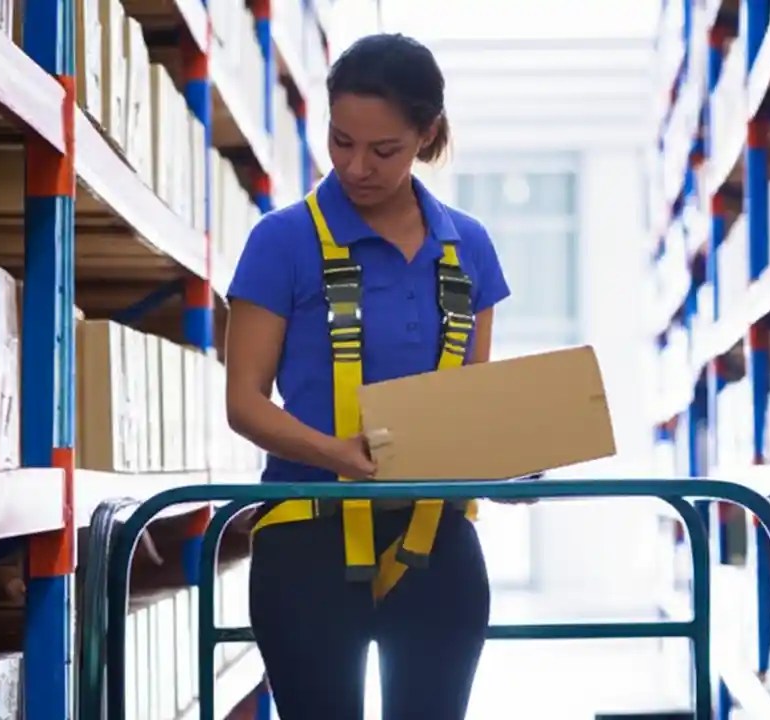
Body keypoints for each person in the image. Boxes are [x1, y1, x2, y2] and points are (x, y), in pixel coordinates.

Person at [224, 32, 512, 720]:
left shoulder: (468, 247)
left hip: (436, 540)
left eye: (383, 150)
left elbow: (471, 404)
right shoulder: (280, 241)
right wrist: (335, 455)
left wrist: (509, 468)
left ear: (426, 135)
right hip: (306, 540)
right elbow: (243, 403)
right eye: (340, 140)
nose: (356, 166)